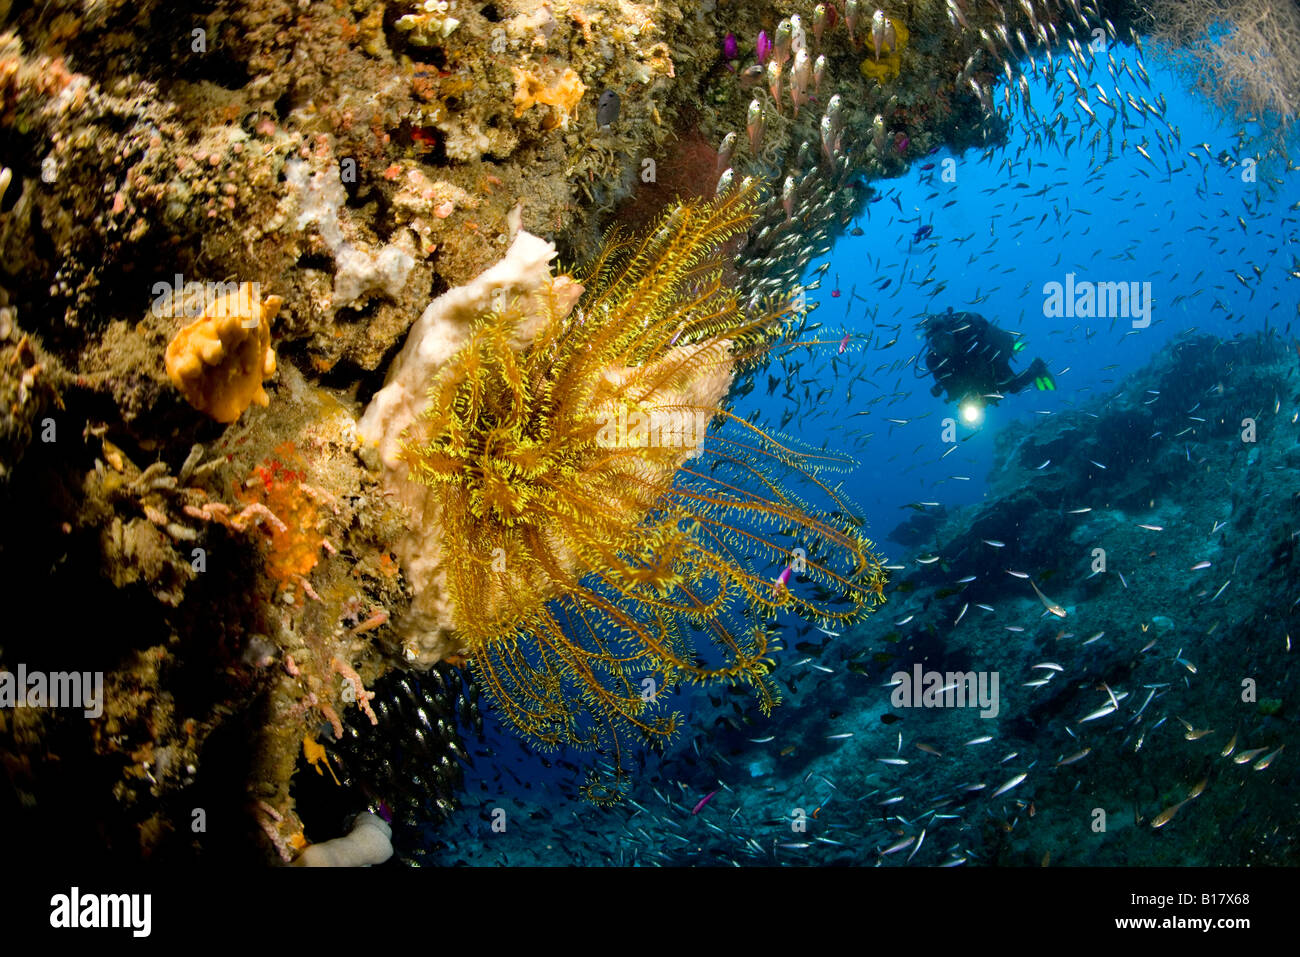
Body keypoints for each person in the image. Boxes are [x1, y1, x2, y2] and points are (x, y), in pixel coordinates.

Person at [921, 308, 1054, 408]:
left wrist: (980, 395)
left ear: (952, 334)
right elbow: (952, 390)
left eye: (945, 338)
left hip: (991, 361)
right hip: (973, 377)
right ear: (932, 347)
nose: (944, 345)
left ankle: (1037, 368)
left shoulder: (969, 339)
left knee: (1011, 387)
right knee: (988, 395)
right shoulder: (934, 361)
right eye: (937, 343)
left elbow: (984, 372)